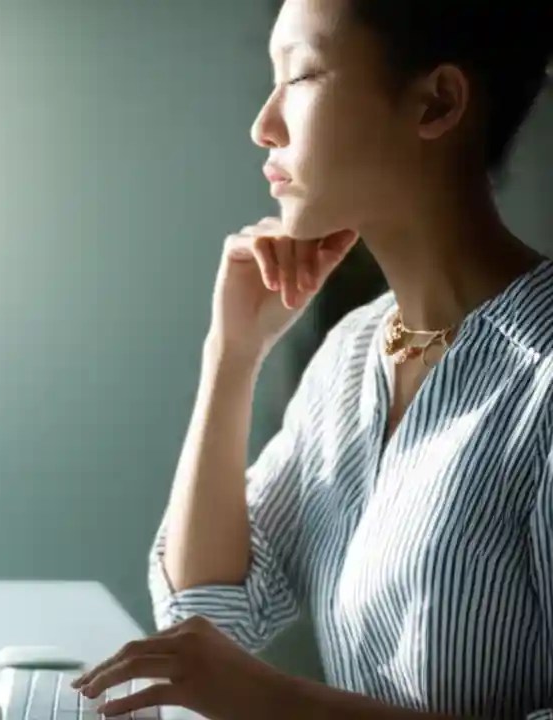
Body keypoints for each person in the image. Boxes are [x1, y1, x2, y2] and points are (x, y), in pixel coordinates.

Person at [71, 0, 553, 718]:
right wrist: (233, 354)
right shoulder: (354, 354)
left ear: (437, 102)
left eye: (300, 77)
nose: (264, 126)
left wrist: (276, 703)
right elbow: (206, 614)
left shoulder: (541, 379)